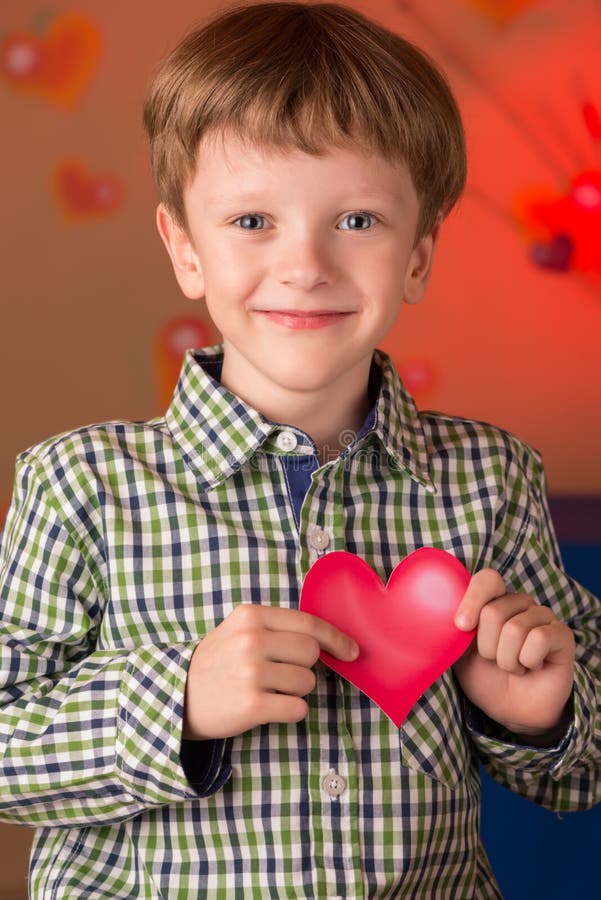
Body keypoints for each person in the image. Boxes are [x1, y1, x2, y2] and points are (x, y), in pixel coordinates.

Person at [0, 2, 599, 897]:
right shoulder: (76, 484)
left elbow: (575, 774)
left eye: (356, 221)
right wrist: (178, 702)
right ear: (184, 248)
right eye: (251, 221)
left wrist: (539, 717)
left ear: (418, 256)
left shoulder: (491, 477)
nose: (306, 263)